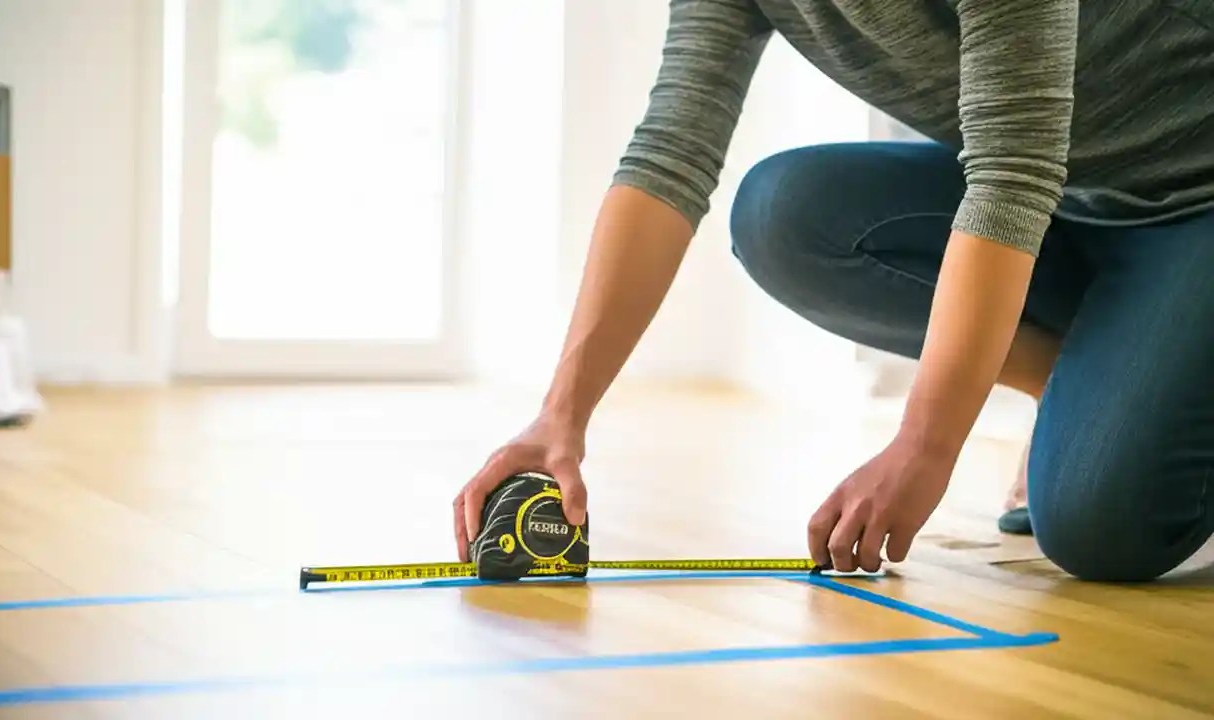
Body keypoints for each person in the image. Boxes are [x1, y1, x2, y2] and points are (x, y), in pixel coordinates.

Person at [453, 0, 1214, 582]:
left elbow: (1013, 172)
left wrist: (924, 445)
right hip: (1068, 198)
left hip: (1192, 196)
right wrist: (562, 416)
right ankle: (1099, 389)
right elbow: (670, 152)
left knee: (1102, 530)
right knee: (784, 214)